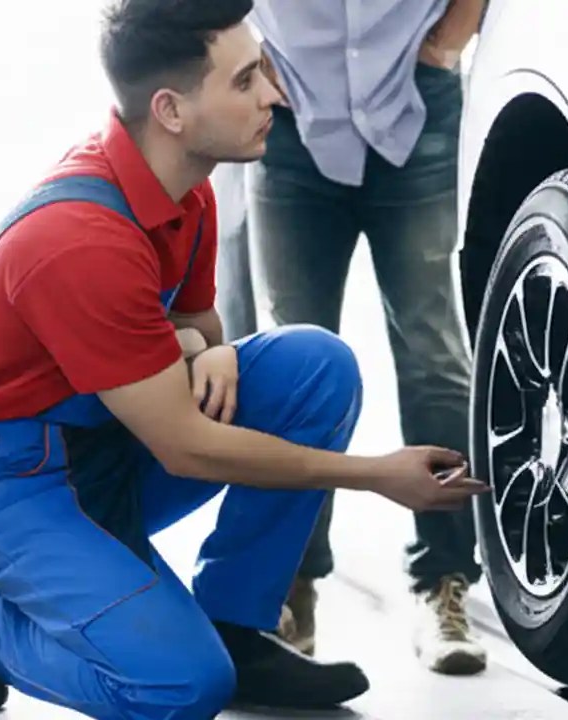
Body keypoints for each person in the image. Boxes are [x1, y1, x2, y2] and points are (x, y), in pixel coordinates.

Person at [0, 1, 486, 718]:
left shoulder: (186, 188)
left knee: (314, 365)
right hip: (11, 482)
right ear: (171, 110)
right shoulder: (78, 240)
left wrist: (195, 346)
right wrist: (374, 476)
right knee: (180, 685)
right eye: (246, 82)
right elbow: (185, 447)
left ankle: (236, 626)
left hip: (107, 445)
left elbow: (197, 327)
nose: (275, 95)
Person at [237, 0, 489, 674]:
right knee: (293, 363)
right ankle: (293, 589)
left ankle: (445, 585)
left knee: (434, 353)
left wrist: (448, 39)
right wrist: (237, 46)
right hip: (286, 118)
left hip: (415, 103)